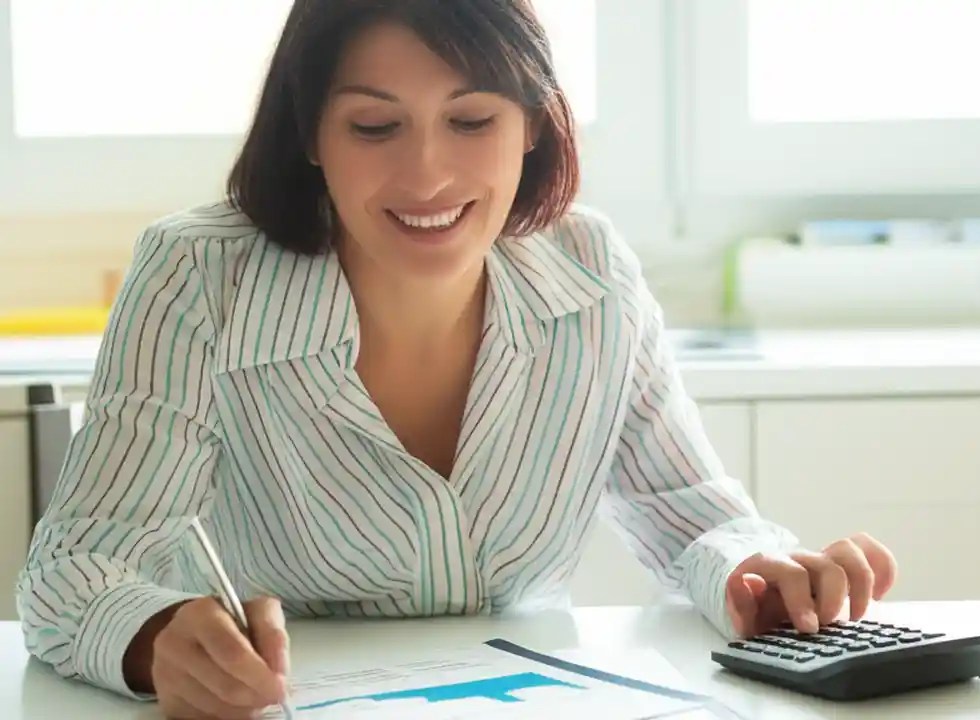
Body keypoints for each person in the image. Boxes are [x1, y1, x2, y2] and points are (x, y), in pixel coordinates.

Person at [16, 1, 897, 718]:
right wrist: (154, 637)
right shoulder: (199, 275)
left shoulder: (590, 272)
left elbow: (691, 518)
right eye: (374, 126)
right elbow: (72, 571)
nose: (428, 173)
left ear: (532, 128)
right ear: (311, 136)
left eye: (471, 118)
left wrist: (759, 573)